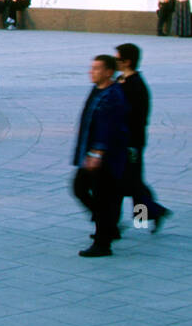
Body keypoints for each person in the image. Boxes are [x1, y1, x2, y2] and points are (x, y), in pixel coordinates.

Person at [71, 55, 129, 257]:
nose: (91, 71)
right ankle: (107, 225)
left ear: (108, 72)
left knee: (102, 197)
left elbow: (108, 127)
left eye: (96, 68)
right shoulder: (98, 90)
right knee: (80, 188)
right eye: (91, 67)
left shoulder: (112, 95)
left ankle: (103, 243)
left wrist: (97, 152)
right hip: (91, 154)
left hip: (104, 158)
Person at [115, 43, 169, 232]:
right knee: (131, 182)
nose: (115, 62)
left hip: (131, 143)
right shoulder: (122, 80)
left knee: (131, 182)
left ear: (127, 61)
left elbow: (137, 119)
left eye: (117, 59)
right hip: (125, 142)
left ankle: (149, 214)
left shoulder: (136, 86)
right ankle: (147, 215)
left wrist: (131, 145)